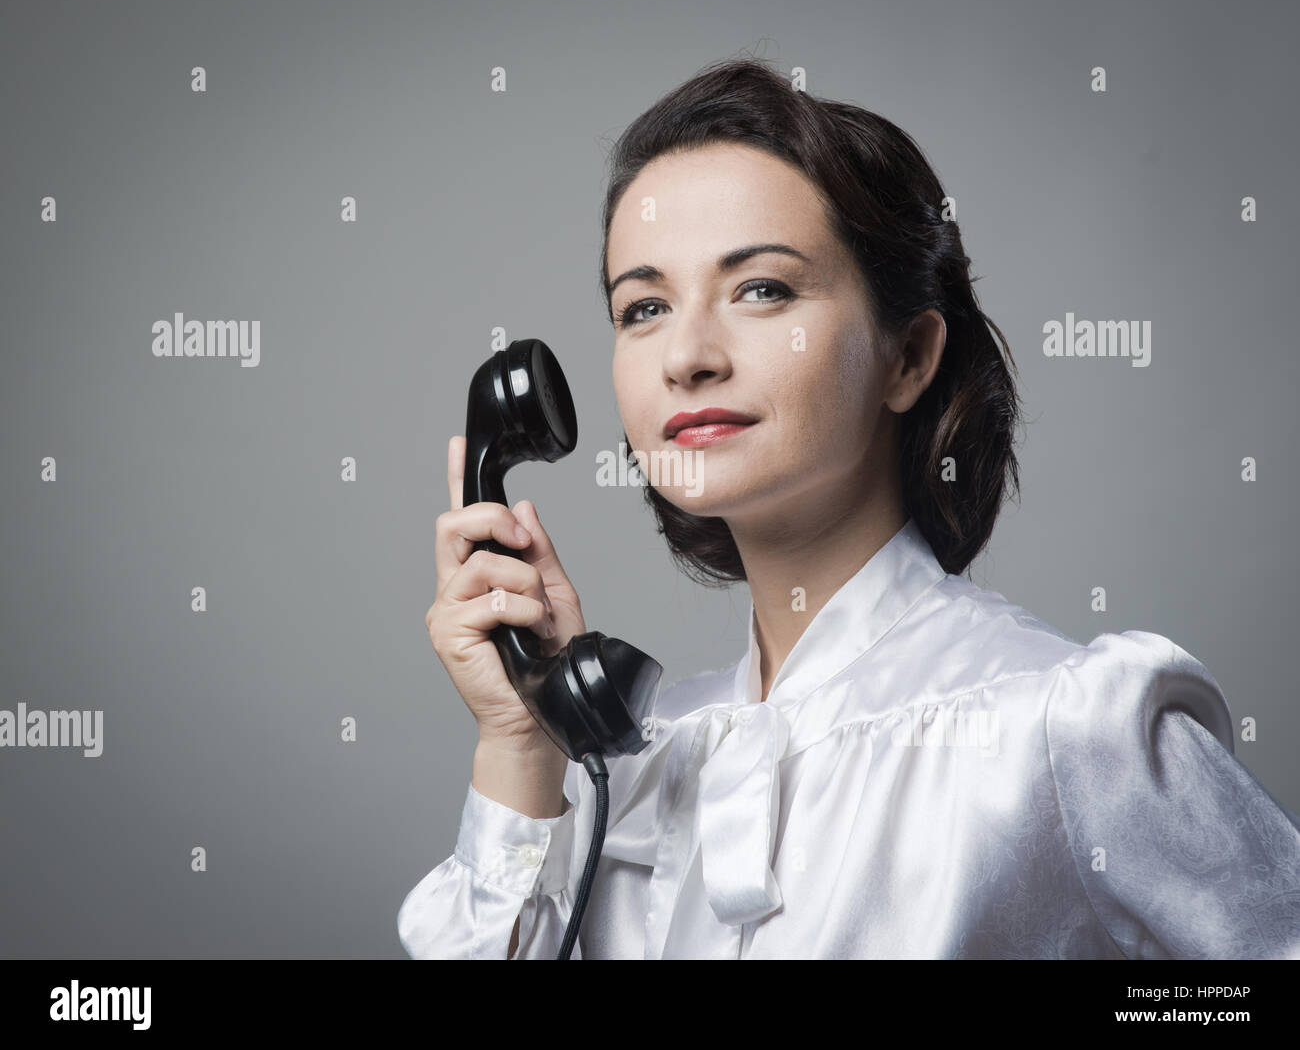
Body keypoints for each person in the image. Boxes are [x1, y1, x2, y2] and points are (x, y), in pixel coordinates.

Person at [399, 57, 1300, 959]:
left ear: (907, 356)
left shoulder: (1065, 726)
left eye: (763, 290)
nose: (687, 355)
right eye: (642, 307)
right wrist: (523, 742)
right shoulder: (632, 765)